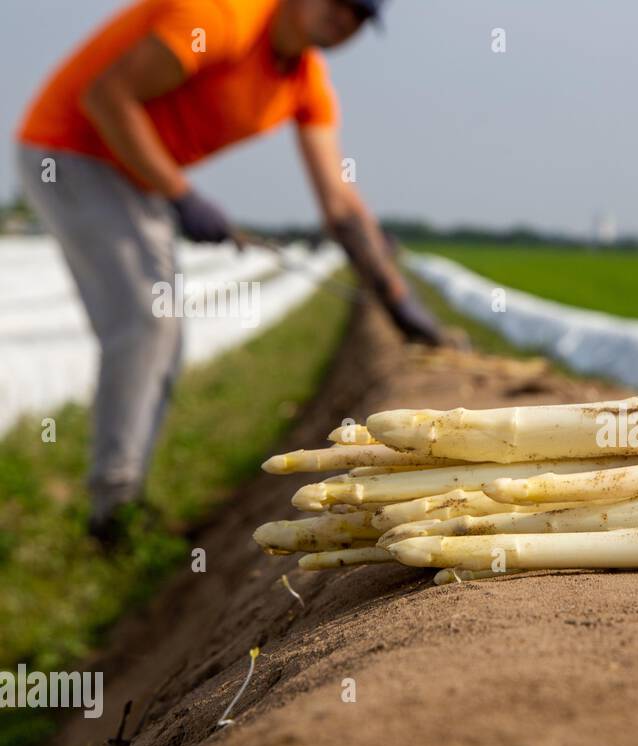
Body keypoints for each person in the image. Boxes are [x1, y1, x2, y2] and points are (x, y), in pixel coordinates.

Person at [15, 0, 454, 544]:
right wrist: (183, 196)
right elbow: (105, 96)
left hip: (135, 172)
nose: (344, 18)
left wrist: (395, 297)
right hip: (73, 149)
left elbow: (339, 204)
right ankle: (113, 513)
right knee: (145, 323)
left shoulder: (305, 83)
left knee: (166, 334)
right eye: (338, 1)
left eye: (360, 16)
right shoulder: (221, 16)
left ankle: (124, 500)